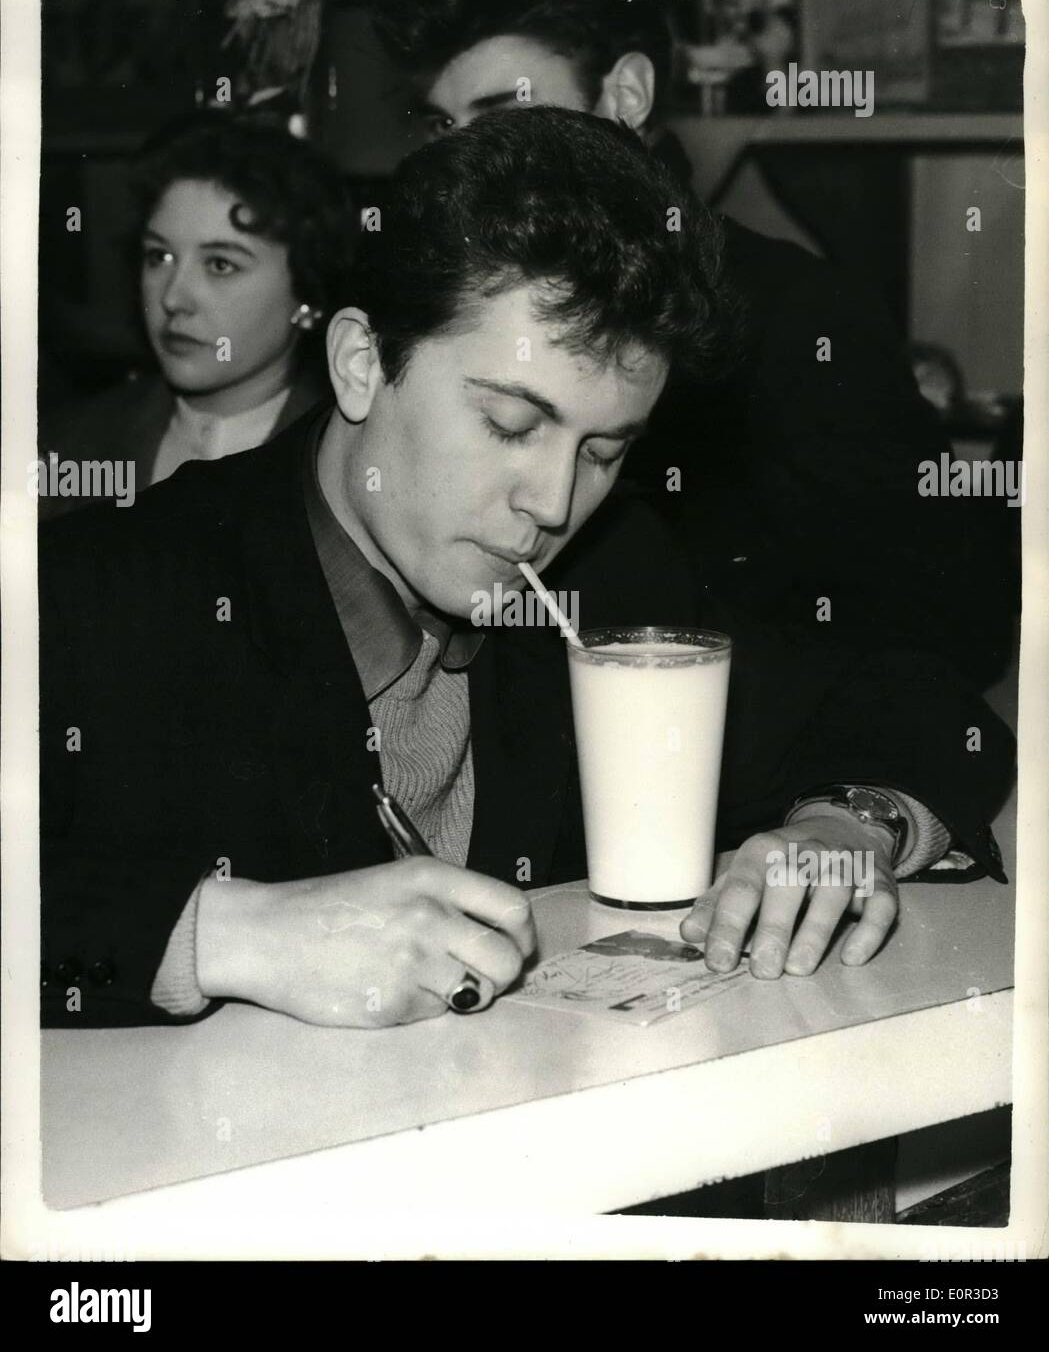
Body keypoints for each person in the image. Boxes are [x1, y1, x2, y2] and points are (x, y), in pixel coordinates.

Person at [40, 108, 1013, 1031]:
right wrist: (219, 934)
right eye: (509, 423)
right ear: (359, 364)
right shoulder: (103, 592)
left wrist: (844, 831)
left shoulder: (604, 572)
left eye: (602, 450)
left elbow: (909, 700)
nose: (551, 503)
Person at [370, 0, 1013, 688]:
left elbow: (947, 628)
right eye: (444, 128)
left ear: (627, 94)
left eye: (503, 118)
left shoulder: (796, 314)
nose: (466, 163)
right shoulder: (423, 292)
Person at [37, 114, 356, 516]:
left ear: (307, 295)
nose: (173, 297)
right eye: (160, 256)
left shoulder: (352, 466)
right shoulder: (67, 446)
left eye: (220, 264)